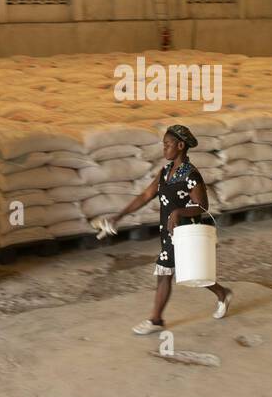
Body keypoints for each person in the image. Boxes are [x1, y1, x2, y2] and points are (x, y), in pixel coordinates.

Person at [98, 124, 233, 335]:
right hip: (168, 231)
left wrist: (179, 212)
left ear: (180, 146)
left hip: (185, 231)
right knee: (188, 272)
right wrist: (118, 217)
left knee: (169, 272)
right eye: (163, 145)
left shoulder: (191, 175)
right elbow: (145, 196)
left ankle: (156, 319)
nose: (164, 149)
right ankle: (222, 293)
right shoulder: (165, 172)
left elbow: (202, 205)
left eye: (167, 145)